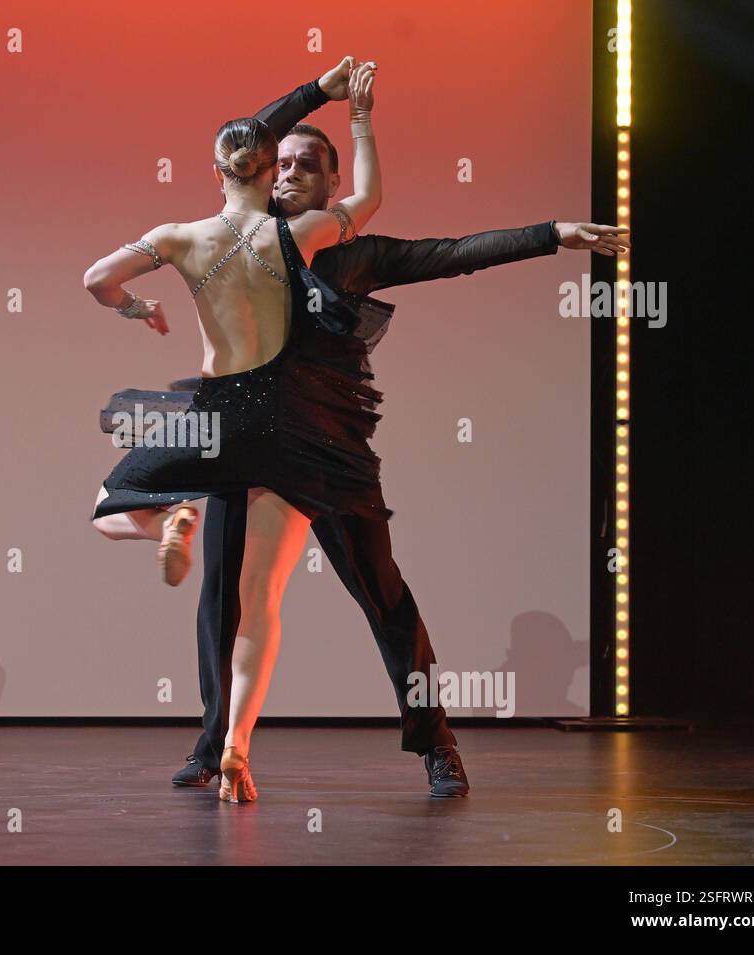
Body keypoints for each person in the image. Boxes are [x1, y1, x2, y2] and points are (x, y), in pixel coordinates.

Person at [162, 59, 629, 797]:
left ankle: (436, 743)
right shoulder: (244, 233)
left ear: (330, 181)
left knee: (386, 599)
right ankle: (218, 739)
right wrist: (318, 91)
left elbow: (455, 254)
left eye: (306, 164)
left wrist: (555, 233)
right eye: (278, 163)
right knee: (225, 595)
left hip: (332, 449)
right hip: (251, 438)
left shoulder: (357, 250)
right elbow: (246, 136)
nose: (286, 172)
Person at [84, 64, 384, 801]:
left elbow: (97, 278)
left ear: (216, 169)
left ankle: (165, 520)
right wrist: (360, 116)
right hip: (277, 424)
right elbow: (369, 200)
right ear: (267, 169)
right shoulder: (296, 237)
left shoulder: (180, 236)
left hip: (215, 415)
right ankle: (237, 748)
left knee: (108, 503)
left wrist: (137, 310)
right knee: (260, 599)